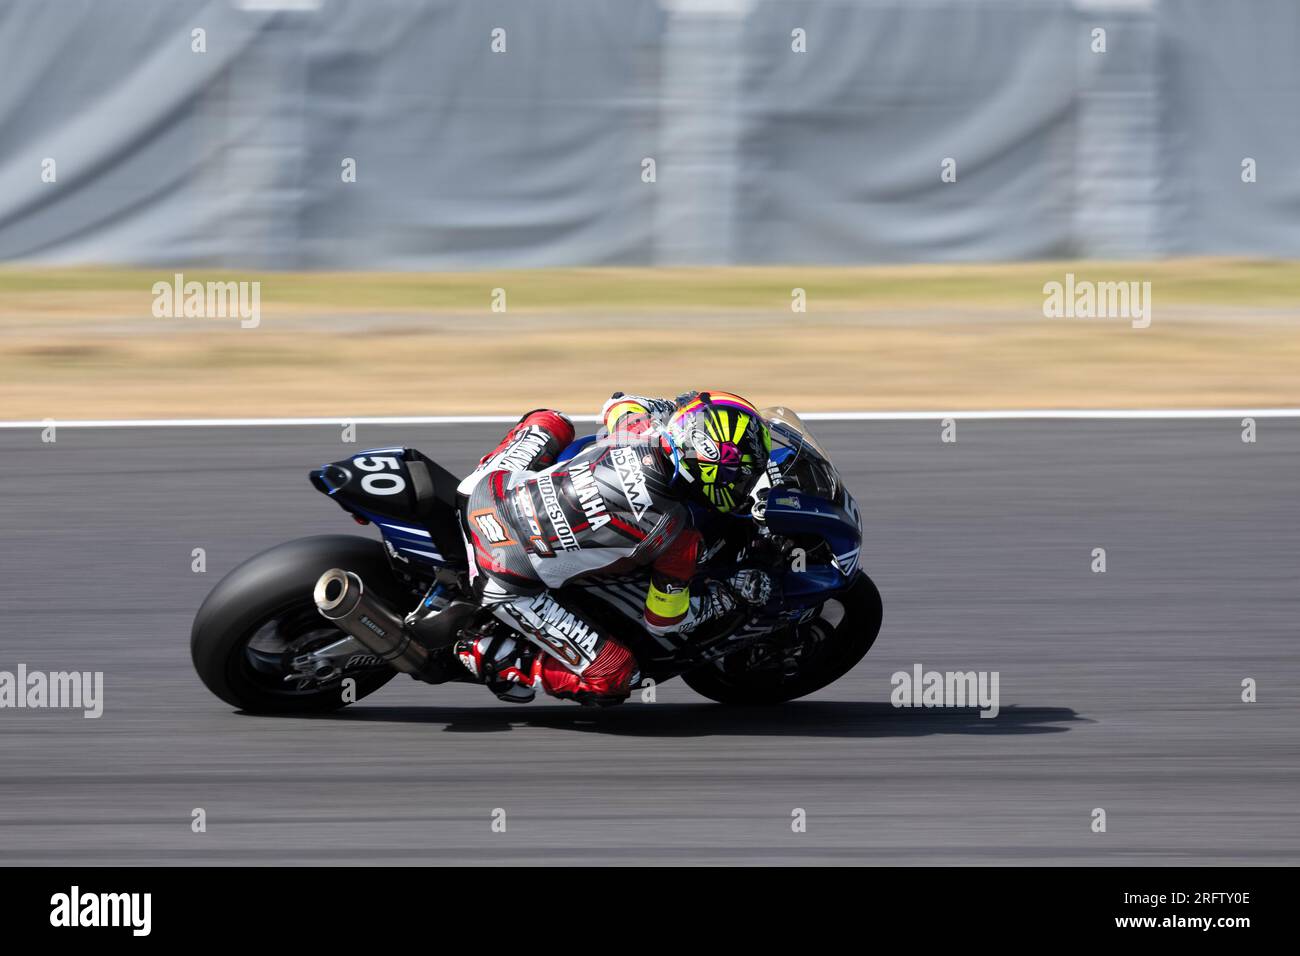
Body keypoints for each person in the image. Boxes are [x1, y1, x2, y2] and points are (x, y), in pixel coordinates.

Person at [447, 391, 773, 706]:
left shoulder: (636, 430)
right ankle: (495, 655)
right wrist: (729, 596)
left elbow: (618, 402)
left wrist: (671, 407)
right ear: (711, 474)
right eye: (742, 478)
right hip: (504, 577)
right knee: (616, 675)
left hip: (482, 490)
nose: (745, 485)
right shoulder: (677, 536)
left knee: (552, 420)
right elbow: (665, 620)